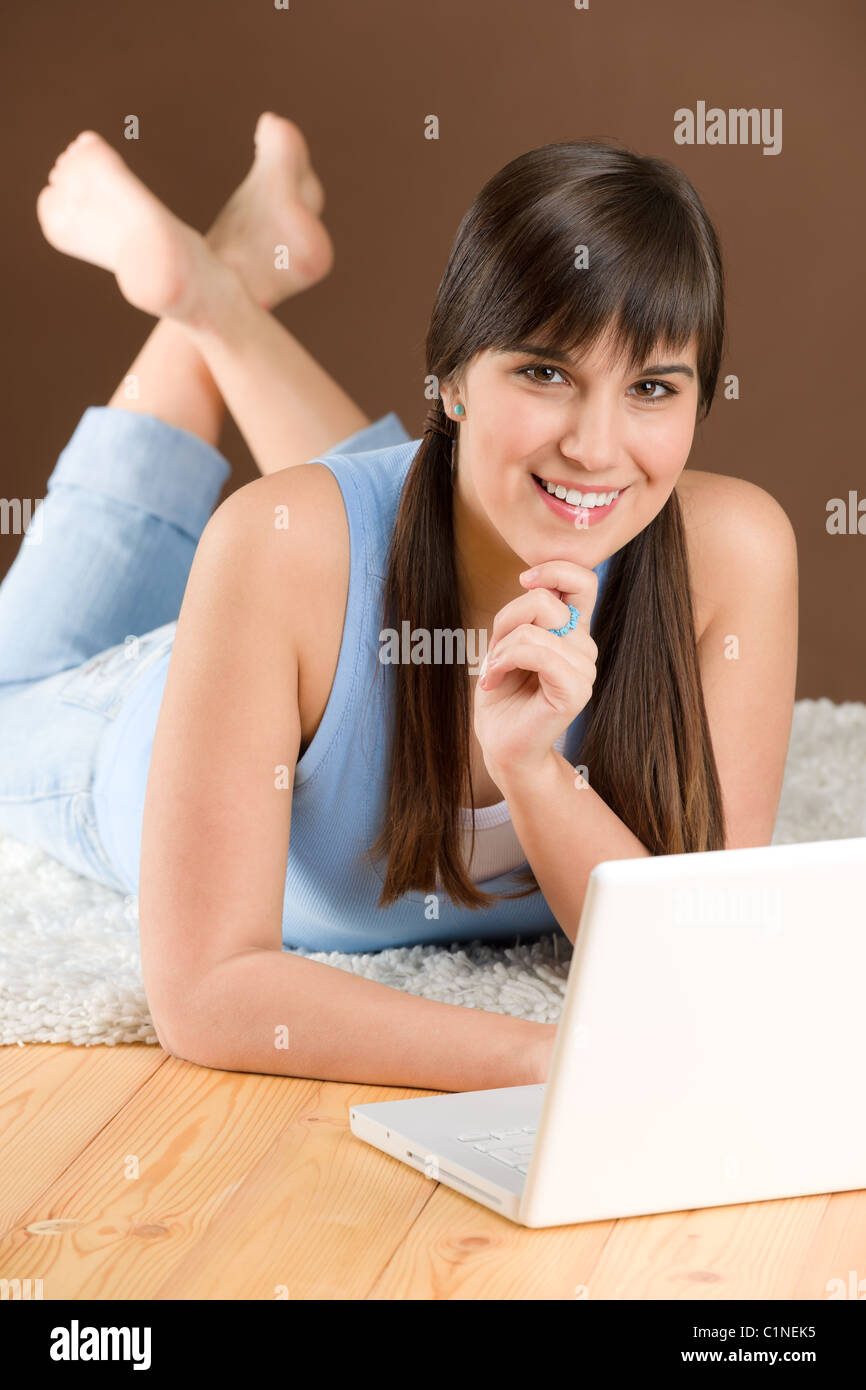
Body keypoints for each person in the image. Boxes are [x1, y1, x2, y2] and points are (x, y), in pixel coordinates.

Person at [0, 115, 798, 1092]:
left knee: (459, 496)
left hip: (381, 553)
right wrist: (546, 1061)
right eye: (544, 371)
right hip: (136, 713)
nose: (598, 446)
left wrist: (529, 769)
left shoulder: (733, 554)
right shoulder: (274, 551)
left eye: (651, 386)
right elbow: (207, 988)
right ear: (453, 376)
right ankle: (201, 299)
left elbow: (690, 955)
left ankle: (212, 292)